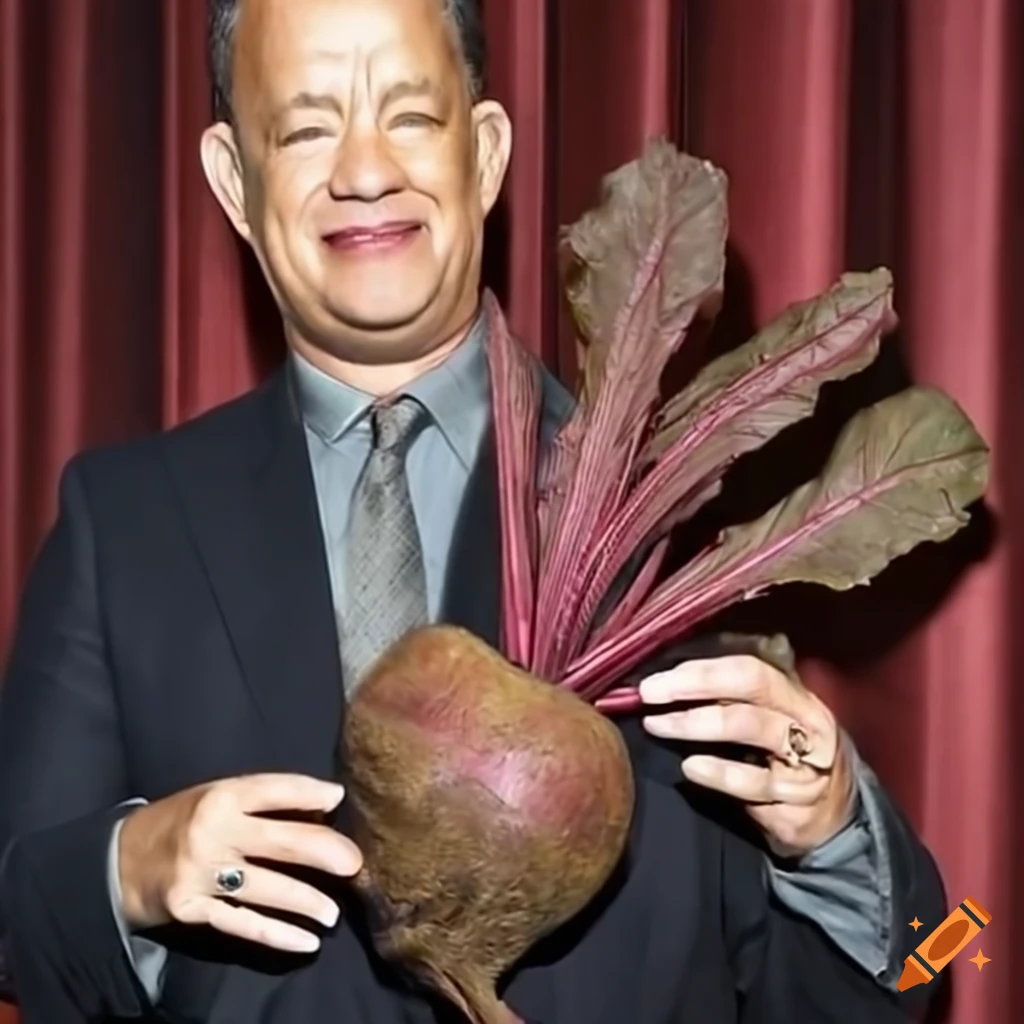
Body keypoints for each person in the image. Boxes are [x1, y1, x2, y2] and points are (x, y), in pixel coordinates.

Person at [0, 0, 945, 1021]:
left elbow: (949, 956)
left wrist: (838, 825)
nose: (365, 170)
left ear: (485, 152)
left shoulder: (671, 516)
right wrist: (129, 867)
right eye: (309, 124)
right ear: (235, 179)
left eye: (409, 115)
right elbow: (14, 932)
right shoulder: (122, 521)